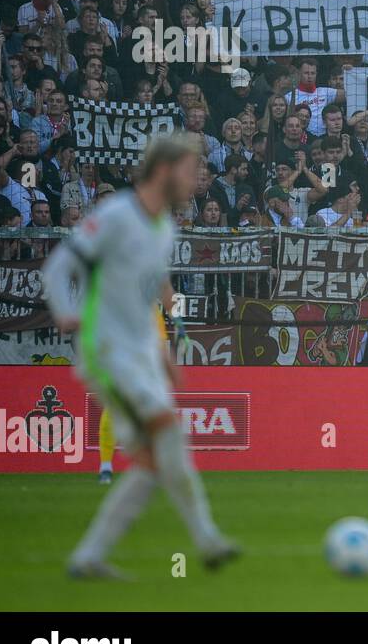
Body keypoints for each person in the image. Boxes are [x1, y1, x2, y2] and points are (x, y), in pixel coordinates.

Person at [42, 133, 238, 579]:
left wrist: (166, 347)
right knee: (168, 431)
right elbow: (57, 267)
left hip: (140, 353)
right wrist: (67, 314)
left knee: (152, 465)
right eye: (191, 172)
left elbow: (150, 291)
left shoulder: (164, 227)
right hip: (106, 350)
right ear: (166, 171)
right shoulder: (115, 215)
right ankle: (206, 538)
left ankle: (88, 557)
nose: (196, 182)